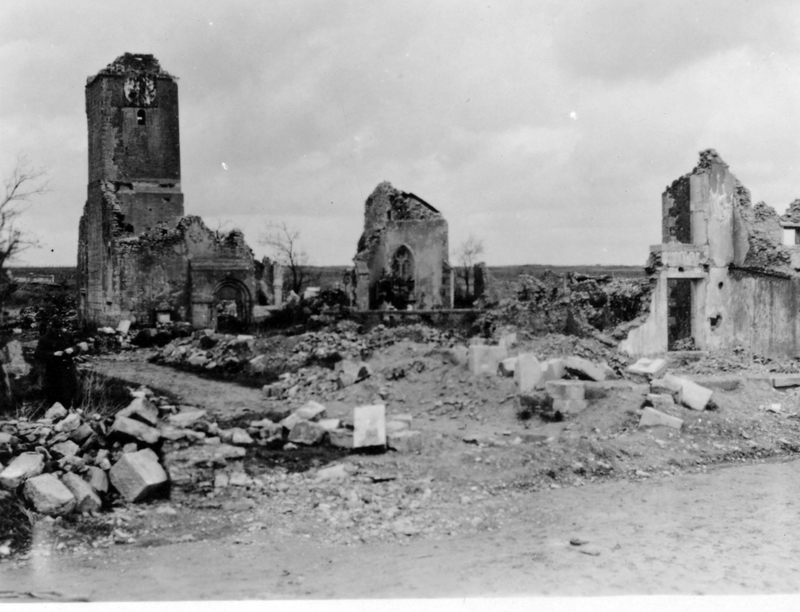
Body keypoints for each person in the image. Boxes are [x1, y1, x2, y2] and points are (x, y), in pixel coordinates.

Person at [34, 317, 79, 408]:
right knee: (54, 393)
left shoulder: (67, 335)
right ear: (52, 328)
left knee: (69, 391)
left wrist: (72, 349)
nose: (59, 331)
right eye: (56, 330)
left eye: (60, 329)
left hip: (68, 369)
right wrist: (53, 354)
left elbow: (77, 347)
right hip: (53, 370)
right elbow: (38, 354)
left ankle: (69, 410)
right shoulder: (45, 339)